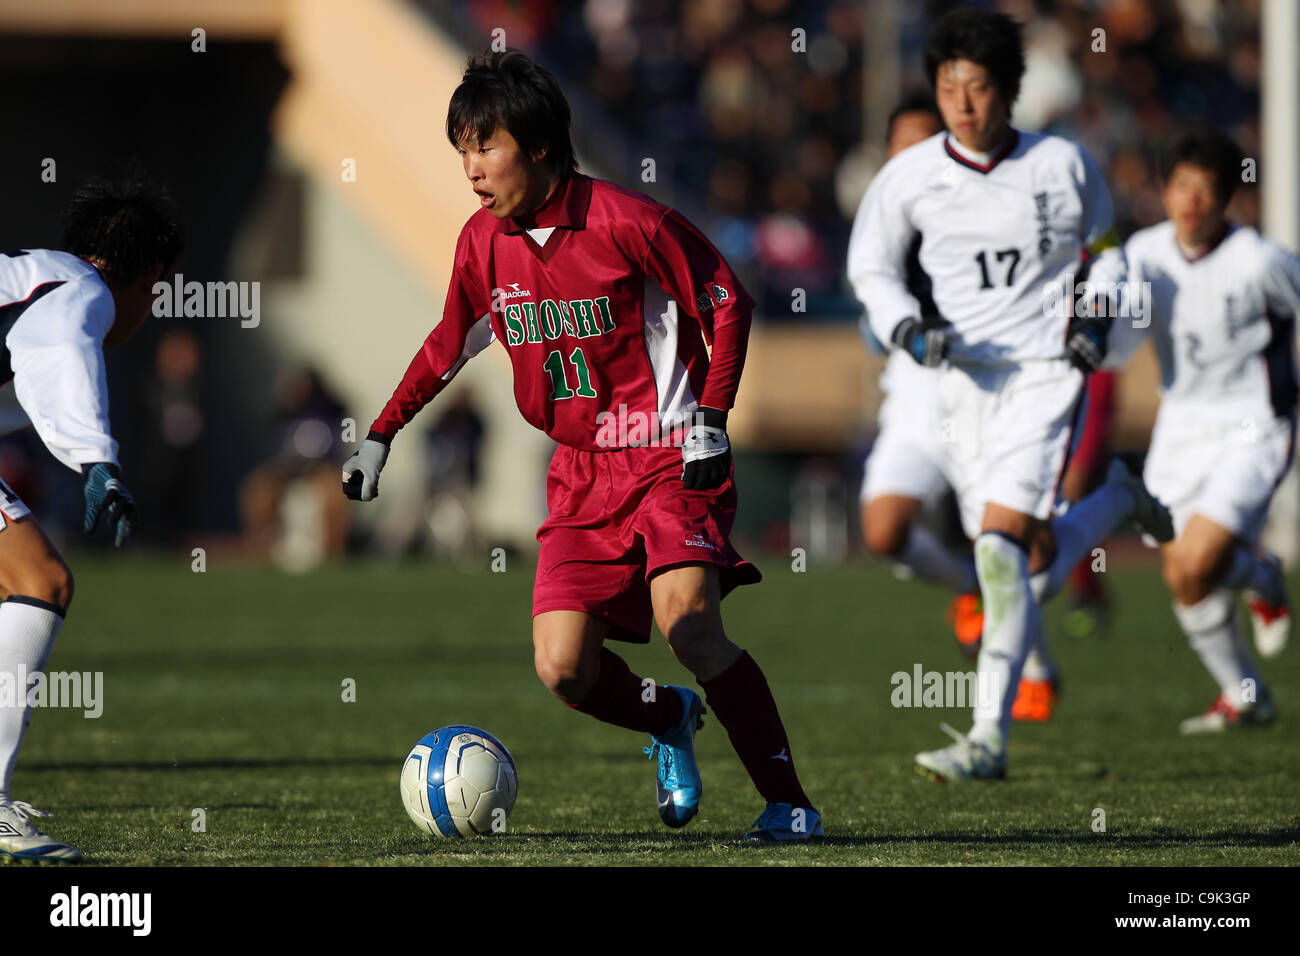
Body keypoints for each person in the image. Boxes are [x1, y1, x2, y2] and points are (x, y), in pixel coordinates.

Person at [343, 50, 819, 839]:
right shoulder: (482, 244)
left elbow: (727, 300)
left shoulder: (629, 222)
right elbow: (448, 344)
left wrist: (711, 416)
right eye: (461, 149)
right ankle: (670, 717)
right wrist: (381, 434)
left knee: (689, 623)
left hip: (669, 452)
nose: (470, 168)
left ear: (536, 145)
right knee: (563, 667)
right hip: (578, 475)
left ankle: (789, 803)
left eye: (484, 146)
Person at [850, 6, 1173, 781]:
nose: (964, 102)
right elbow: (872, 271)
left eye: (981, 86)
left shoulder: (1062, 165)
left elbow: (1105, 254)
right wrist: (905, 328)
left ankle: (986, 738)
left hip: (1041, 376)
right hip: (958, 383)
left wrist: (1095, 315)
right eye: (950, 86)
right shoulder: (909, 176)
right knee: (1020, 562)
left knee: (998, 553)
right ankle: (1115, 500)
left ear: (1011, 90)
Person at [0, 173, 183, 861]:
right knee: (39, 582)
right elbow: (56, 351)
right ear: (150, 277)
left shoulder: (34, 279)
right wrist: (96, 459)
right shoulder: (81, 288)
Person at [1109, 126, 1298, 733]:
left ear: (1227, 198)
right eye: (1181, 186)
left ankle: (1260, 576)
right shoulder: (1143, 253)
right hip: (1181, 426)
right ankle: (1244, 692)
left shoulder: (1260, 261)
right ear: (1165, 191)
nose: (1191, 201)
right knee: (1181, 574)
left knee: (1194, 563)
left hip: (1254, 426)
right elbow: (1118, 330)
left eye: (1206, 189)